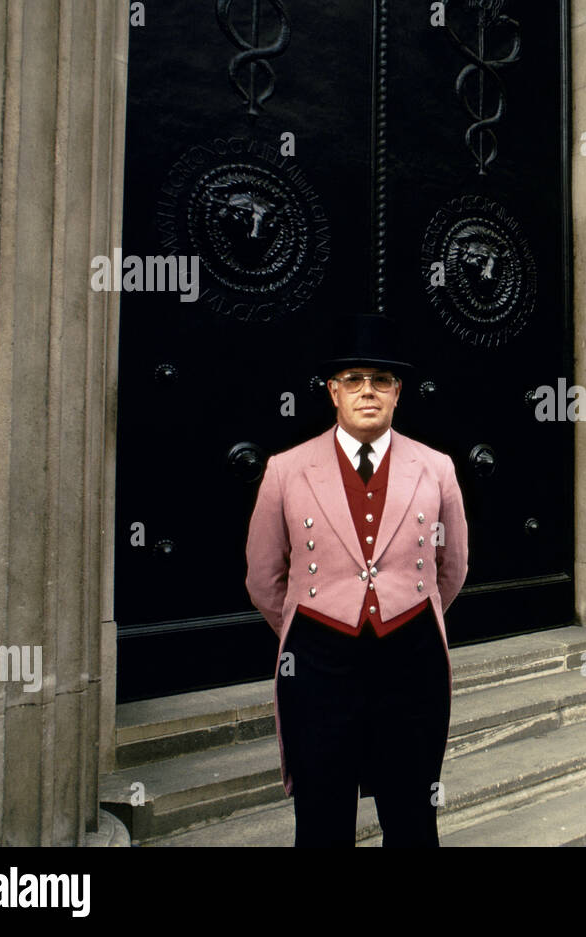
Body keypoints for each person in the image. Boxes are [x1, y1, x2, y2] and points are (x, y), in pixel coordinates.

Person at [245, 313, 469, 845]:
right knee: (322, 815)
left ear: (397, 393)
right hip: (319, 664)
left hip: (412, 659)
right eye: (353, 380)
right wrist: (314, 624)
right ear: (333, 392)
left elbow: (452, 567)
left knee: (413, 812)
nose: (367, 390)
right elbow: (264, 575)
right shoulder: (286, 469)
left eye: (381, 380)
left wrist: (404, 604)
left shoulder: (436, 467)